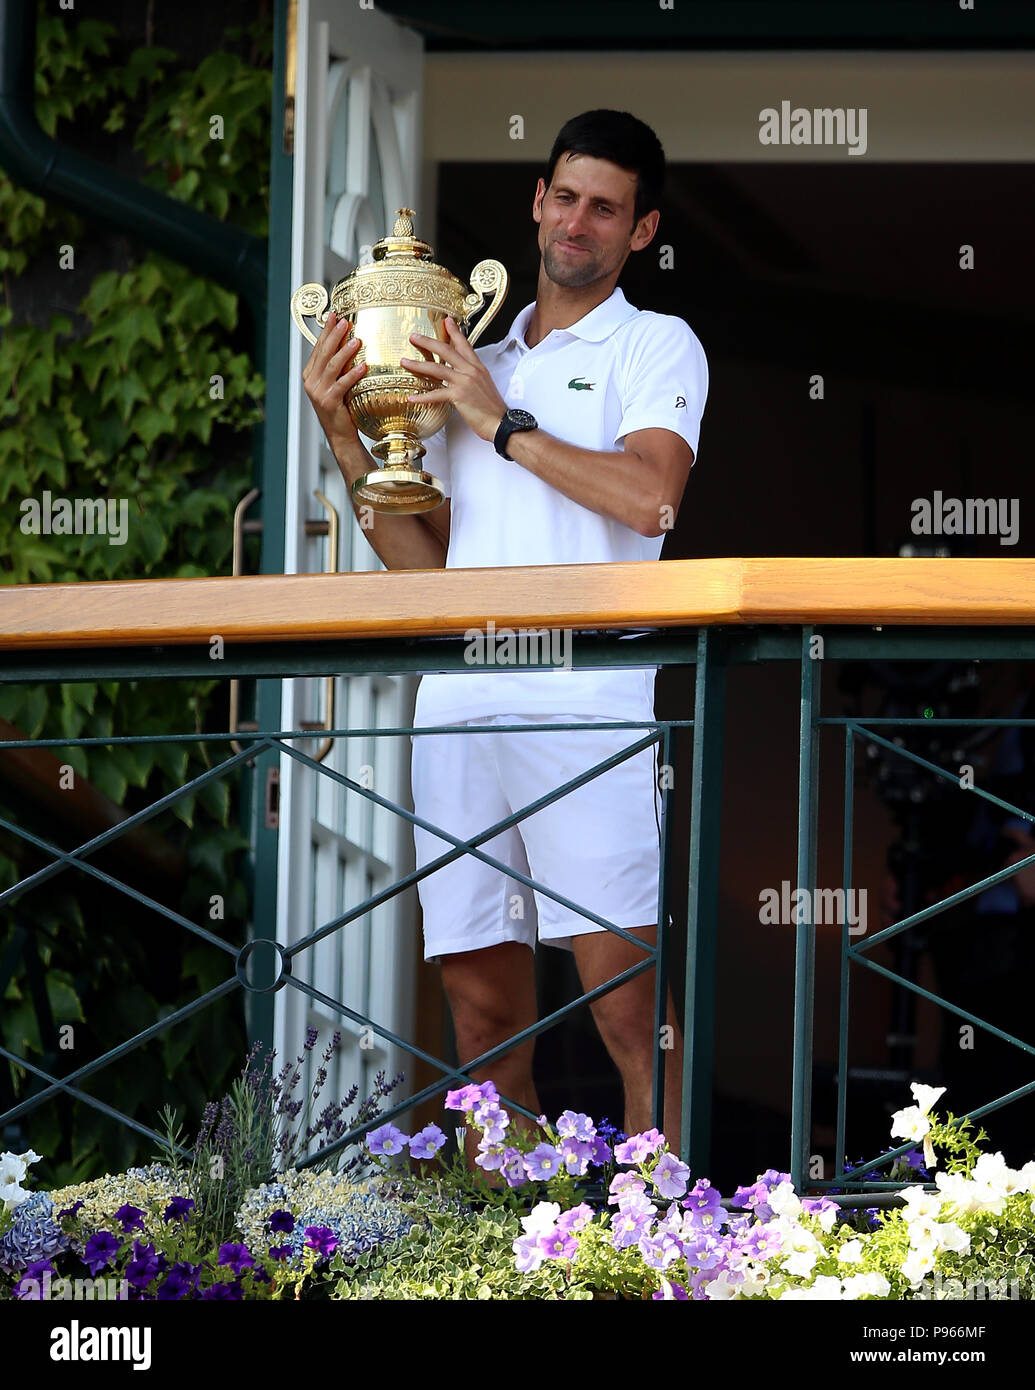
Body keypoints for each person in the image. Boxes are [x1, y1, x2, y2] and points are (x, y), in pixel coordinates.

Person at [302, 109, 708, 1153]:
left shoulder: (655, 342)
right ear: (536, 202)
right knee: (482, 1027)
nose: (579, 221)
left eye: (605, 208)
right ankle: (506, 1248)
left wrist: (500, 422)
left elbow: (652, 497)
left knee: (630, 1017)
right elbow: (427, 568)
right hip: (463, 704)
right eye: (565, 196)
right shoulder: (468, 357)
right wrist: (348, 438)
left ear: (641, 229)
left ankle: (671, 1240)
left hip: (588, 704)